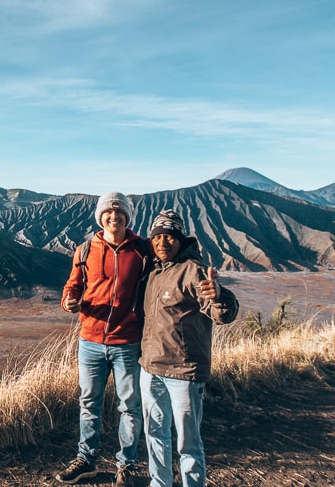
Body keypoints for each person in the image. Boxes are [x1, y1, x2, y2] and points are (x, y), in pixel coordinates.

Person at [55, 192, 150, 487]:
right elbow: (73, 285)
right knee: (88, 403)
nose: (114, 216)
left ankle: (127, 466)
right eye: (109, 212)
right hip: (90, 341)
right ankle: (87, 461)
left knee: (130, 406)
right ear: (100, 217)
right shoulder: (85, 250)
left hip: (127, 341)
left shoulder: (142, 250)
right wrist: (68, 300)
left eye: (120, 212)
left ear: (127, 217)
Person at [139, 209, 239, 487]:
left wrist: (221, 296)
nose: (163, 242)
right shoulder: (152, 271)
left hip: (184, 371)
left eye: (170, 237)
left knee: (188, 442)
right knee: (154, 433)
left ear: (181, 240)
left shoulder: (194, 271)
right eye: (158, 237)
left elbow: (222, 315)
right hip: (150, 369)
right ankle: (159, 483)